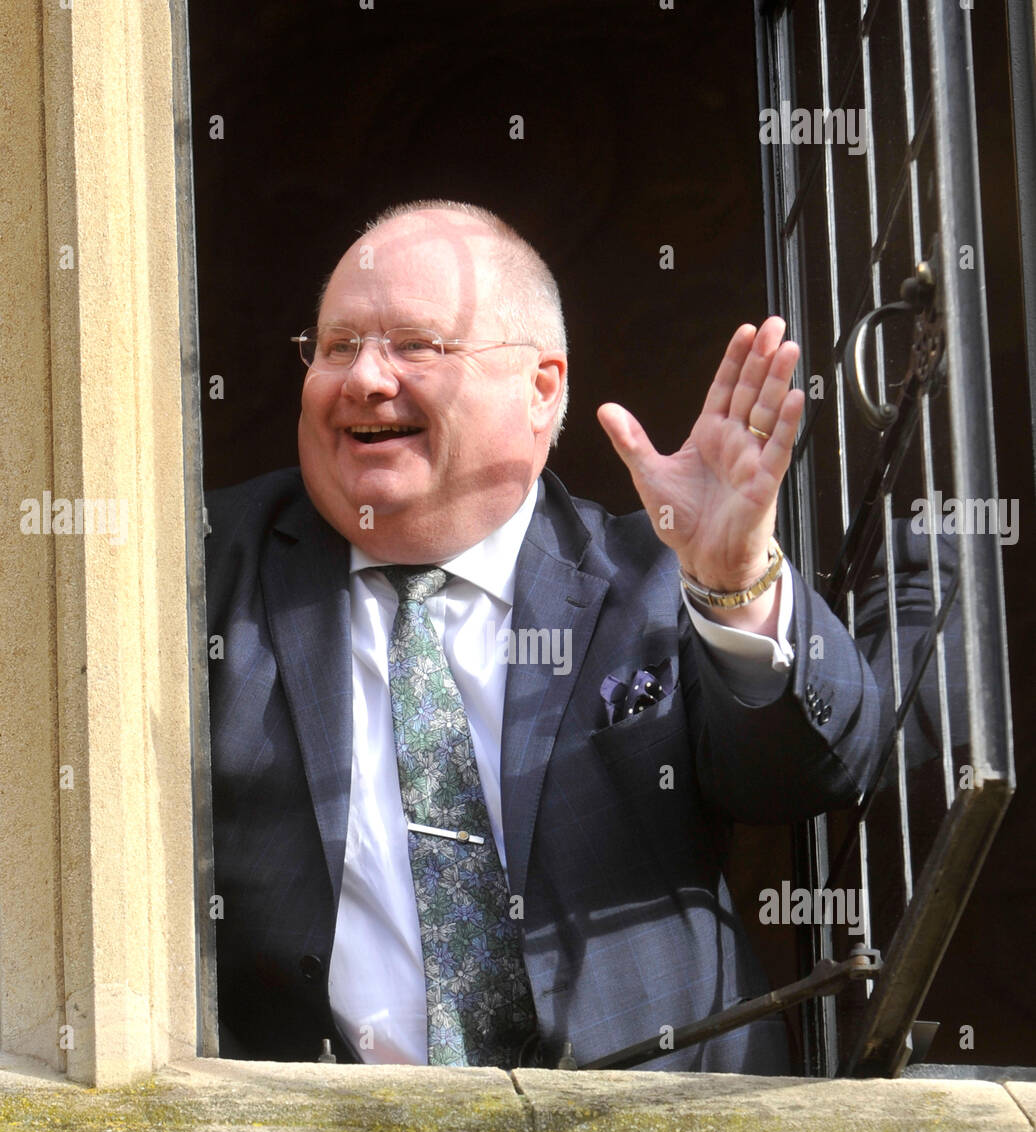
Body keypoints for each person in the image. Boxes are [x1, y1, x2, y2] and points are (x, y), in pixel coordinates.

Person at [205, 199, 887, 1072]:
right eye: (337, 347)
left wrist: (733, 578)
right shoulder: (203, 568)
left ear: (541, 388)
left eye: (416, 345)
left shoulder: (647, 578)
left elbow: (818, 769)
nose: (365, 380)